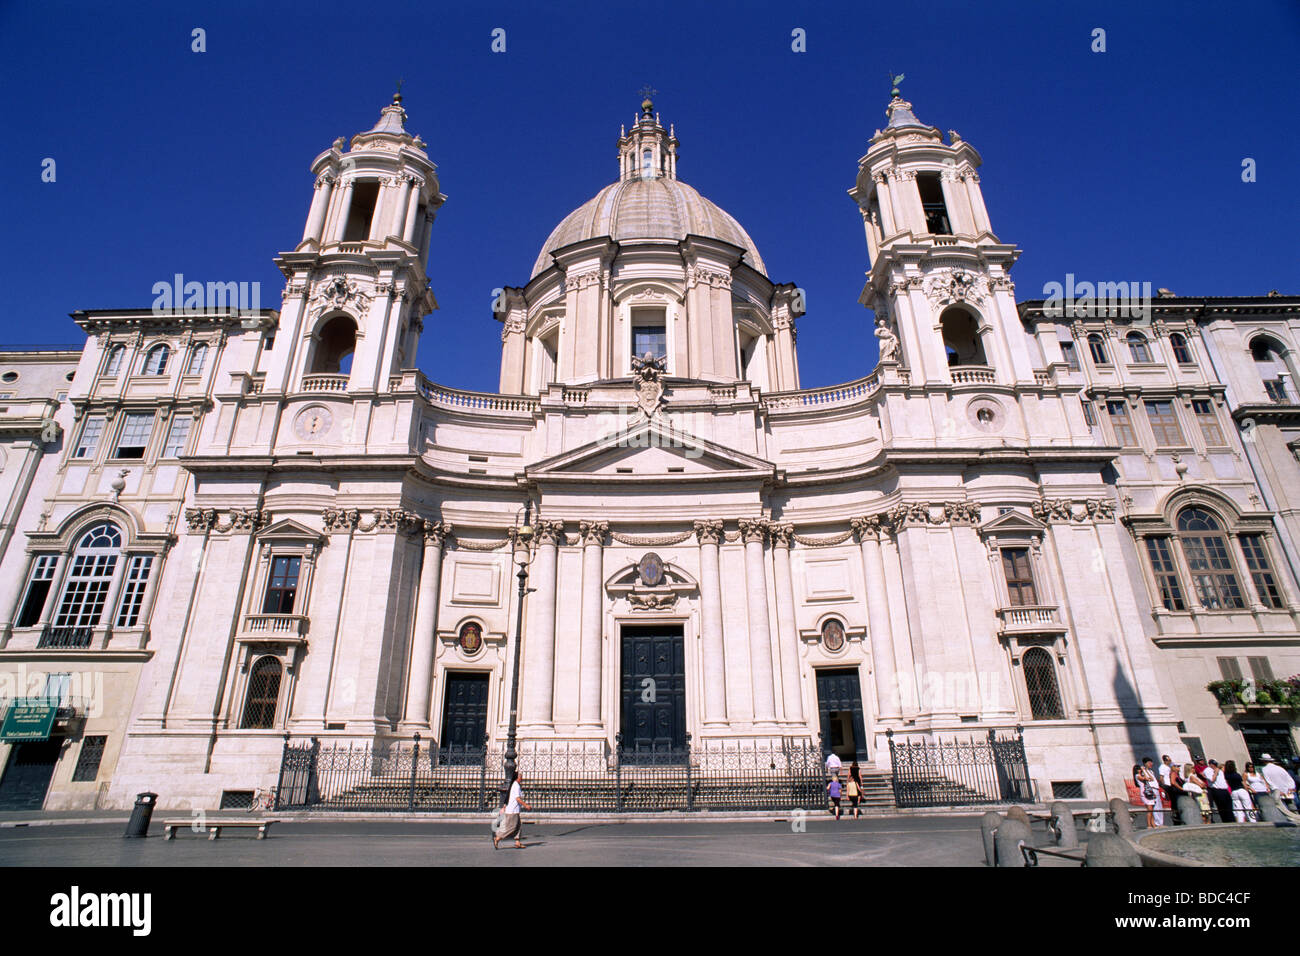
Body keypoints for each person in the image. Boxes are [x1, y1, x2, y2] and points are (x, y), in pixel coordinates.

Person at [493, 772, 532, 850]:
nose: (522, 778)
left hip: (514, 810)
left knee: (518, 826)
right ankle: (497, 838)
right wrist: (526, 805)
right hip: (512, 810)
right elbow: (517, 798)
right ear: (517, 778)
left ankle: (517, 842)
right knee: (511, 827)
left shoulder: (514, 785)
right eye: (520, 777)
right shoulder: (516, 786)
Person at [1203, 759, 1235, 823]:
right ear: (1210, 764)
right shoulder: (1208, 770)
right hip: (1217, 790)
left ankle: (1232, 820)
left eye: (1215, 765)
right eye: (1213, 764)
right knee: (1222, 807)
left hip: (1224, 790)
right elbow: (1212, 780)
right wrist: (1216, 772)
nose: (1214, 766)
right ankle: (1226, 821)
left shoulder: (1219, 770)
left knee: (1229, 806)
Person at [1135, 760, 1164, 828]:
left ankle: (1153, 824)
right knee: (1150, 810)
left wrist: (1146, 771)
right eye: (1138, 769)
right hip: (1146, 793)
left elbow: (1151, 778)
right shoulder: (1137, 775)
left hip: (1149, 791)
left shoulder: (1147, 772)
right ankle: (1149, 825)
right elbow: (1147, 779)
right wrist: (1144, 771)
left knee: (1152, 809)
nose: (1140, 770)